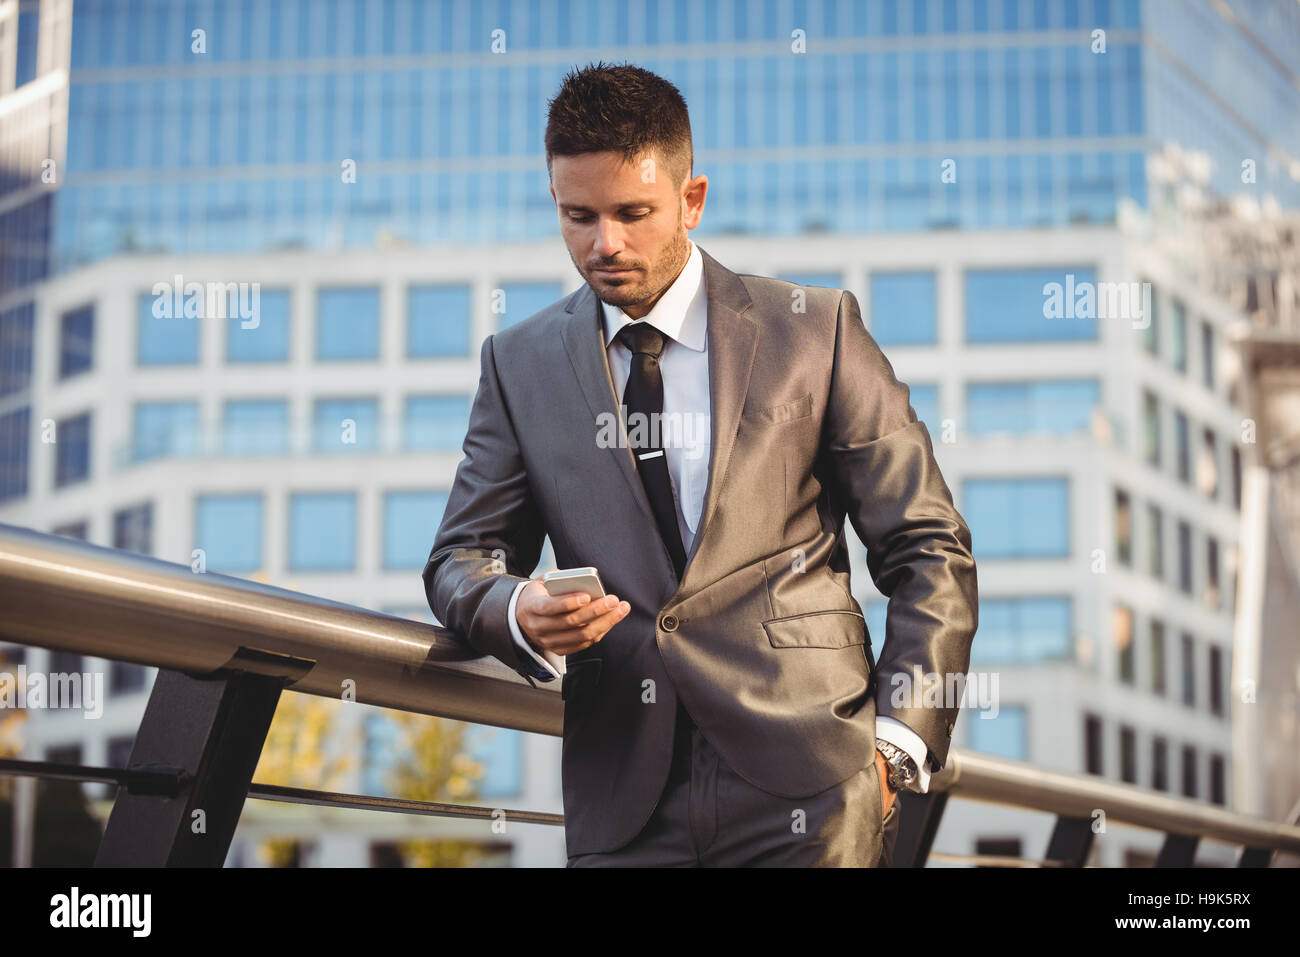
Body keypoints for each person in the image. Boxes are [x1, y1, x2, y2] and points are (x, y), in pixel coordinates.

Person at [423, 61, 978, 867]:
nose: (603, 243)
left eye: (632, 213)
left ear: (693, 200)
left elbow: (928, 544)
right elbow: (458, 559)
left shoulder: (813, 330)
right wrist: (513, 607)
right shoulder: (519, 364)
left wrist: (895, 745)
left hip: (813, 786)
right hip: (625, 803)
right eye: (578, 215)